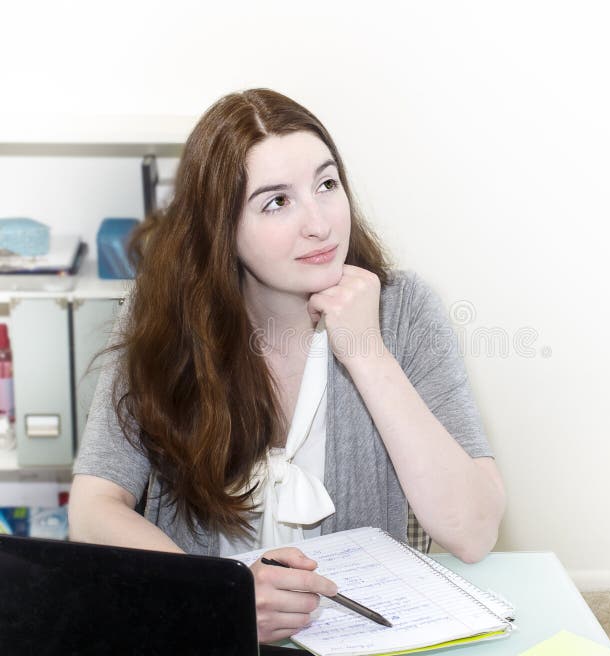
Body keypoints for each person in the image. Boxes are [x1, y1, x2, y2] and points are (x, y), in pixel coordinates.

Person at [69, 88, 506, 643]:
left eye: (326, 185)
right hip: (204, 632)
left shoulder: (405, 310)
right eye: (276, 202)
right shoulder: (159, 313)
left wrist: (366, 352)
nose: (319, 224)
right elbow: (92, 509)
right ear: (220, 227)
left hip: (361, 634)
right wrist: (219, 593)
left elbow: (474, 532)